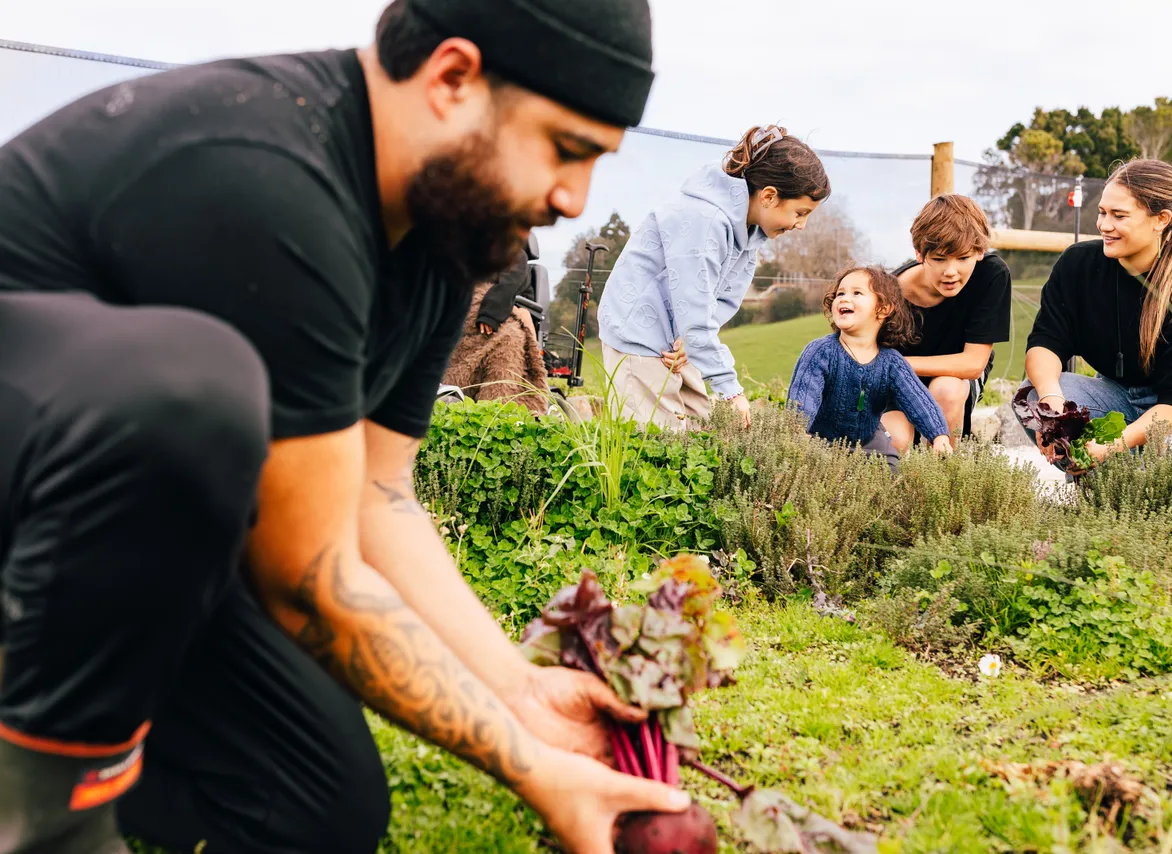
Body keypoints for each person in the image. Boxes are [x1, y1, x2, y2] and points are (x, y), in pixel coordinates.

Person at [0, 1, 694, 852]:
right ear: (451, 79)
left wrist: (518, 691)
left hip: (125, 552)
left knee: (315, 804)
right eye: (564, 148)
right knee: (188, 390)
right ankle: (44, 821)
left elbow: (376, 494)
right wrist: (532, 768)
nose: (572, 199)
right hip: (28, 505)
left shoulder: (441, 234)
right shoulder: (273, 172)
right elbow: (308, 580)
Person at [596, 124, 831, 430]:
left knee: (700, 426)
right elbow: (694, 307)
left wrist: (688, 342)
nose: (801, 225)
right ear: (770, 196)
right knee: (655, 441)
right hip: (638, 336)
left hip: (680, 338)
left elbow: (724, 300)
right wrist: (731, 391)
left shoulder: (751, 236)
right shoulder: (703, 221)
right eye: (800, 213)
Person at [1020, 158, 1172, 470]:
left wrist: (1114, 444)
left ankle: (1138, 476)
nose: (1103, 225)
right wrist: (1052, 408)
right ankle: (1106, 491)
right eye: (1102, 212)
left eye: (1119, 215)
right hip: (1119, 395)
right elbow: (1046, 342)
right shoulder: (1078, 266)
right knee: (1033, 399)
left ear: (1161, 219)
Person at [787, 265, 953, 471]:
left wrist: (939, 435)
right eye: (840, 293)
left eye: (857, 293)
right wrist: (796, 431)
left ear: (883, 309)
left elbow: (918, 399)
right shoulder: (822, 352)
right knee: (818, 478)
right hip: (821, 440)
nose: (844, 299)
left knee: (892, 475)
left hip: (869, 441)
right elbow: (803, 398)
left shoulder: (891, 362)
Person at [881, 194, 1012, 453]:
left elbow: (974, 364)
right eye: (939, 259)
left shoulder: (991, 274)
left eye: (963, 258)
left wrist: (898, 364)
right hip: (898, 383)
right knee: (897, 439)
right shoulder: (889, 294)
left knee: (947, 390)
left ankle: (943, 476)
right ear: (920, 254)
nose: (951, 271)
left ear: (980, 251)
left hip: (954, 378)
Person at [443, 242, 553, 414]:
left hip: (503, 310)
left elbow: (507, 287)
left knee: (508, 338)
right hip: (465, 311)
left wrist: (490, 313)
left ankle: (496, 405)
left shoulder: (515, 255)